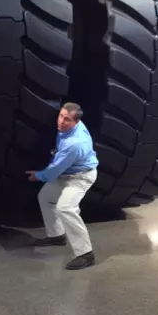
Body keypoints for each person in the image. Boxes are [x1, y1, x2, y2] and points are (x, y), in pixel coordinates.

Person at [25, 103, 98, 270]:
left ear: (76, 122)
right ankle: (57, 236)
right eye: (61, 116)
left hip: (80, 177)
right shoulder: (69, 129)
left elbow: (54, 170)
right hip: (65, 173)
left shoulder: (74, 143)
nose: (61, 121)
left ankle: (86, 254)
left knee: (65, 208)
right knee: (45, 197)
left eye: (67, 119)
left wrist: (38, 175)